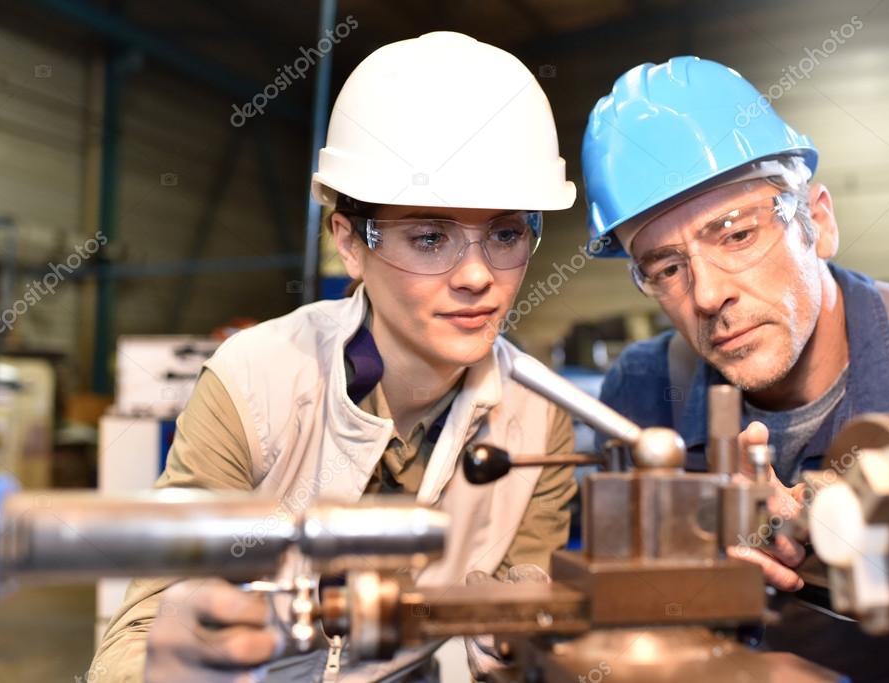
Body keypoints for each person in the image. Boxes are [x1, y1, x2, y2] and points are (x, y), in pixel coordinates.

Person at [92, 31, 578, 682]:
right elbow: (145, 625)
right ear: (349, 242)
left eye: (506, 233)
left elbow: (526, 598)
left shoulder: (540, 416)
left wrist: (519, 638)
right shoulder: (255, 382)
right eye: (429, 237)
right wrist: (166, 666)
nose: (475, 276)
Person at [581, 56, 889, 678]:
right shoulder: (642, 394)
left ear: (818, 222)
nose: (707, 296)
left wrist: (863, 553)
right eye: (667, 268)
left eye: (735, 235)